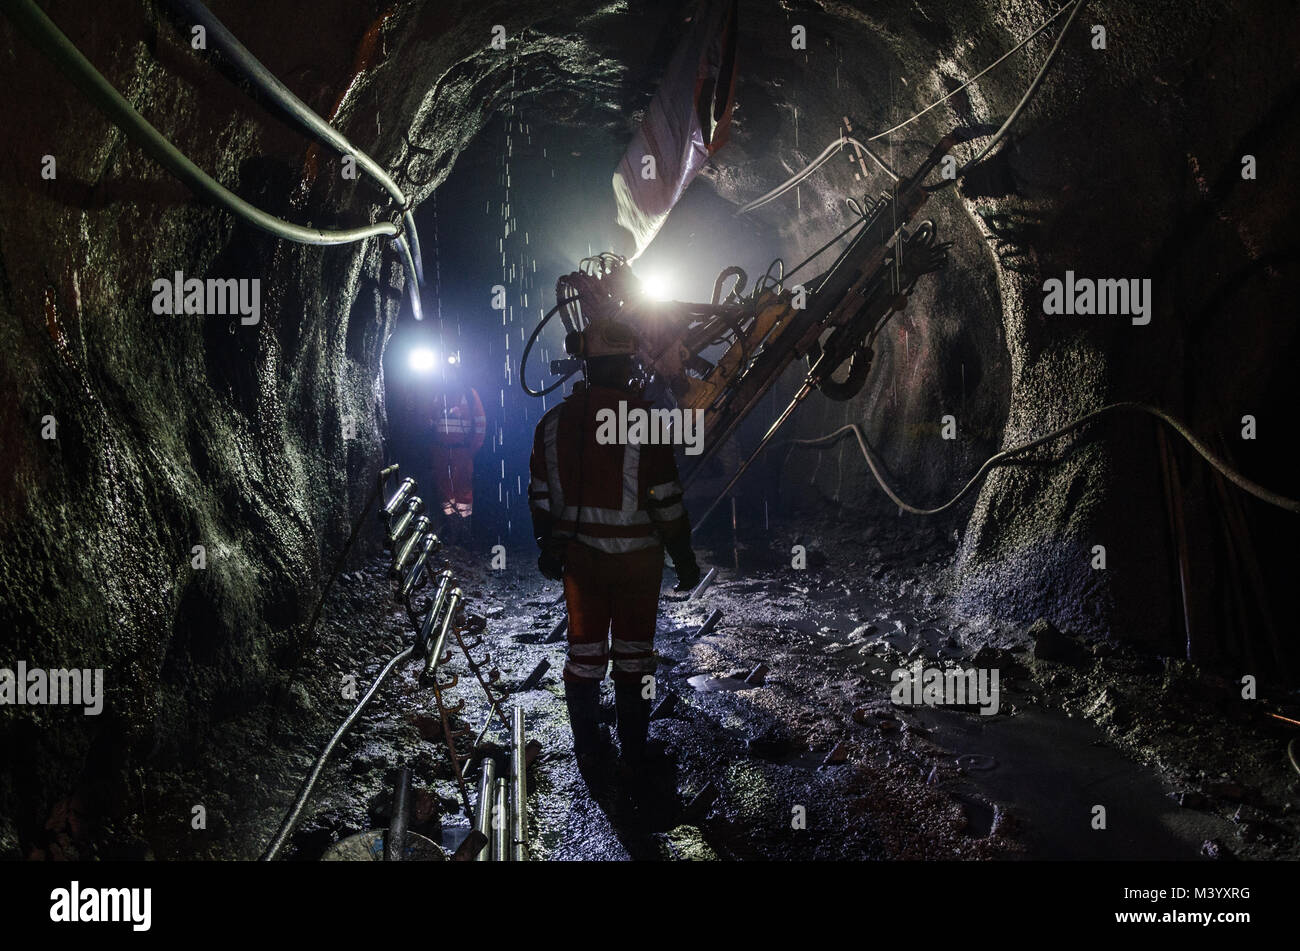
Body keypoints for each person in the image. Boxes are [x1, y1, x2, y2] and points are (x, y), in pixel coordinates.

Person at [527, 315, 701, 777]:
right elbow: (665, 500)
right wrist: (684, 557)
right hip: (637, 566)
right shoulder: (645, 422)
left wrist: (548, 544)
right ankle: (635, 751)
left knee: (583, 657)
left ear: (585, 364)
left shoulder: (552, 423)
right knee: (634, 657)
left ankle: (588, 749)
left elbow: (541, 494)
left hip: (581, 564)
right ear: (626, 365)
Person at [428, 367, 486, 545]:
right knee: (444, 490)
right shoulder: (437, 395)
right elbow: (428, 422)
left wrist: (472, 450)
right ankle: (452, 530)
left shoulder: (469, 395)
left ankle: (464, 531)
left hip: (462, 452)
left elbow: (480, 424)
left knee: (464, 491)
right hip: (442, 451)